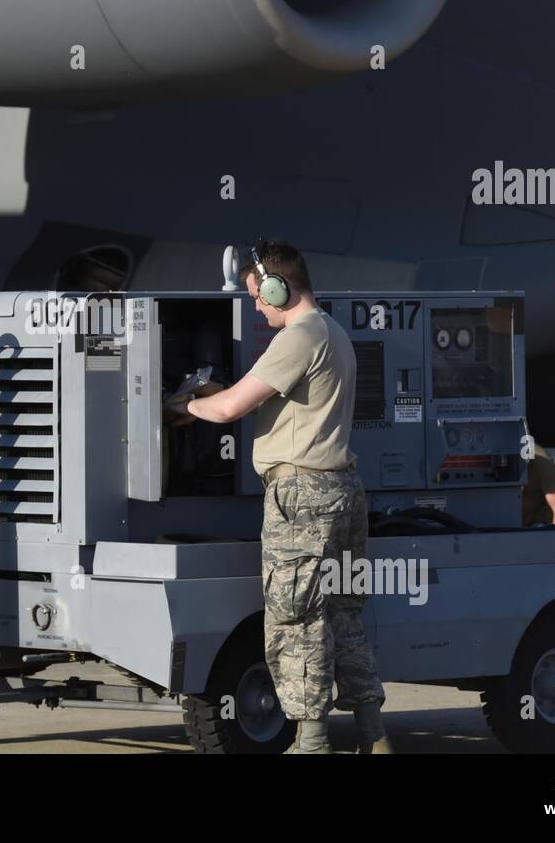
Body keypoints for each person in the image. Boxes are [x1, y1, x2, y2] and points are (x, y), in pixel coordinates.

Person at [165, 239, 389, 754]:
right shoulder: (333, 332)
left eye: (258, 296)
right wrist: (213, 396)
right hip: (342, 489)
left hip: (301, 494)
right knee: (342, 615)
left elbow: (227, 412)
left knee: (296, 618)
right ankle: (374, 737)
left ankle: (311, 742)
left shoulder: (298, 337)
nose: (257, 308)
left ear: (277, 287)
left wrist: (181, 405)